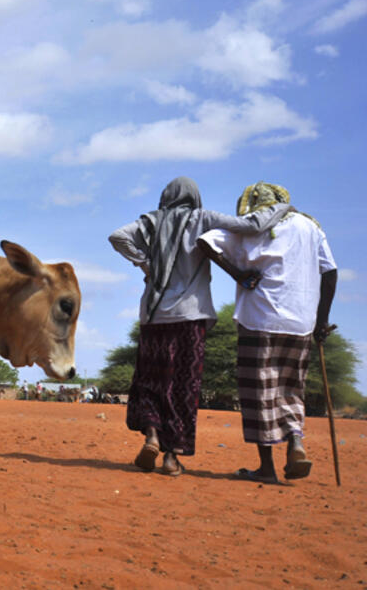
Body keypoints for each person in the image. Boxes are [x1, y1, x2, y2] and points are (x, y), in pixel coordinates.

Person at [110, 177, 289, 476]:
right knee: (182, 385)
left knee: (152, 381)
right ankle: (171, 456)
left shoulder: (151, 222)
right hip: (191, 317)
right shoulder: (202, 218)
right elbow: (252, 225)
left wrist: (146, 265)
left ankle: (152, 437)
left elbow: (117, 237)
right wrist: (282, 206)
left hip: (154, 317)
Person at [199, 182, 336, 484]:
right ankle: (296, 443)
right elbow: (329, 271)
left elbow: (206, 241)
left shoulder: (250, 225)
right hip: (300, 323)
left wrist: (238, 274)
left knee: (259, 393)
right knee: (290, 388)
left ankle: (267, 468)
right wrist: (320, 320)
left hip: (259, 320)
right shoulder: (310, 226)